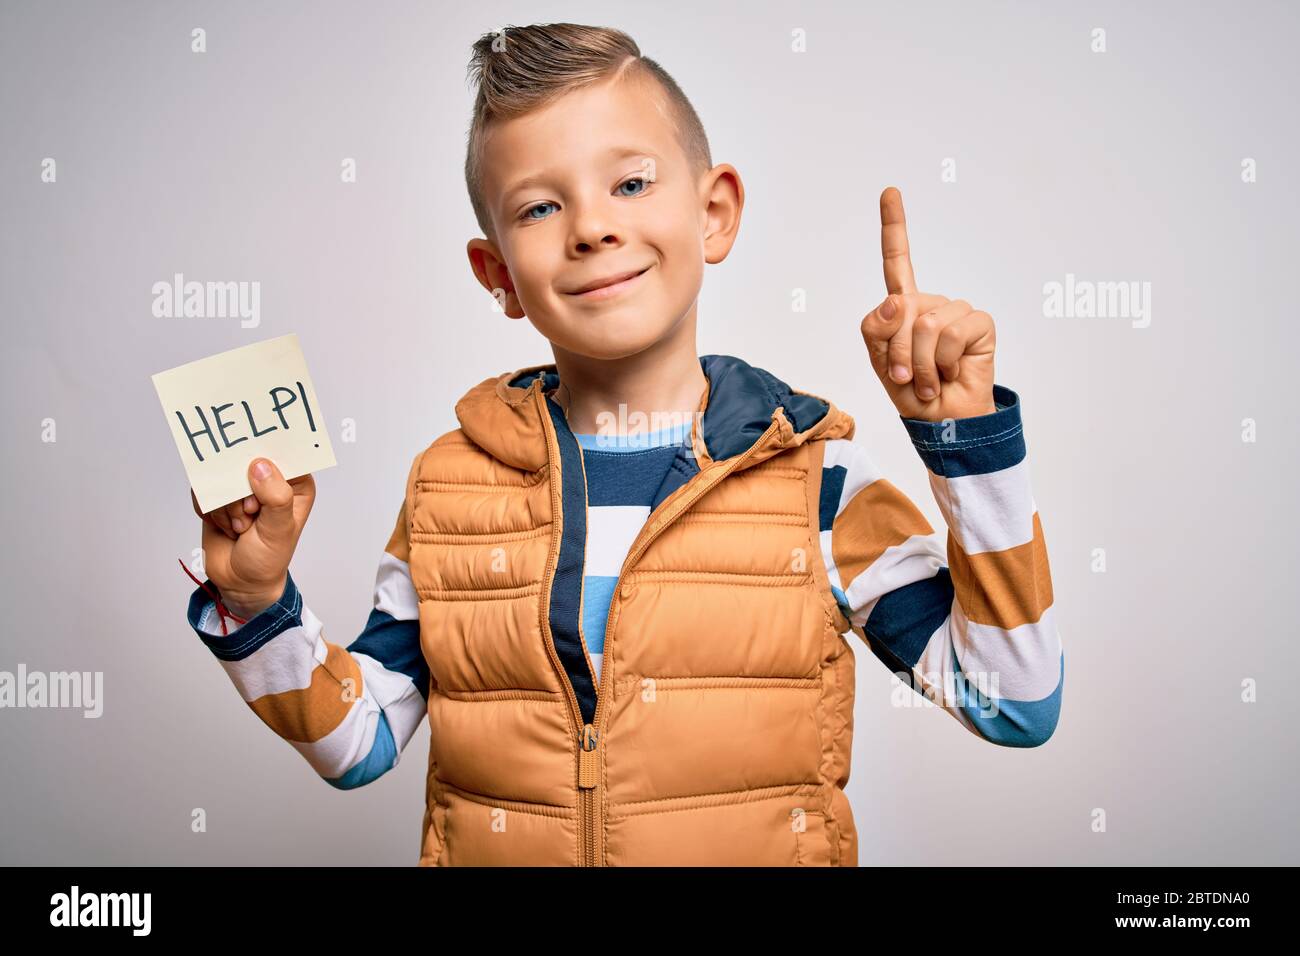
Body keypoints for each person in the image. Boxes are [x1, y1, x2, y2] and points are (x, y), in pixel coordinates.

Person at [181, 22, 1063, 866]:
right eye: (537, 206)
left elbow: (1014, 702)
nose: (592, 227)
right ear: (500, 278)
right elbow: (358, 743)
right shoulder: (449, 491)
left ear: (714, 213)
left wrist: (964, 440)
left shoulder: (815, 477)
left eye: (631, 184)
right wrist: (257, 604)